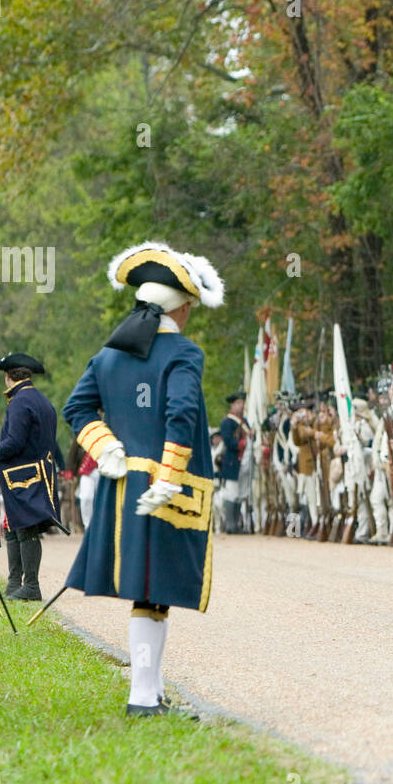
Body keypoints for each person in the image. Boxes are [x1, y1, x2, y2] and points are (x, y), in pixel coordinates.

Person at [62, 241, 222, 714]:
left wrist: (107, 447)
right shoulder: (184, 353)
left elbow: (77, 408)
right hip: (164, 488)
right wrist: (169, 476)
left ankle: (149, 692)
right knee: (155, 592)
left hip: (121, 487)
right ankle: (141, 697)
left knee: (150, 594)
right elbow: (181, 412)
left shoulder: (108, 356)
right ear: (182, 306)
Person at [0, 352, 60, 602]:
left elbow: (13, 444)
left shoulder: (20, 402)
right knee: (14, 528)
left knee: (25, 529)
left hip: (24, 475)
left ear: (8, 377)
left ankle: (30, 585)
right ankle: (14, 583)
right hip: (34, 473)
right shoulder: (40, 399)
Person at [217, 393, 248, 533]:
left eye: (242, 403)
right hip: (232, 462)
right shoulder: (227, 422)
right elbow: (228, 441)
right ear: (232, 405)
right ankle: (230, 525)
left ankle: (236, 524)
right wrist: (241, 443)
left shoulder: (245, 421)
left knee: (240, 493)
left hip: (243, 463)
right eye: (238, 403)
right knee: (231, 493)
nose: (241, 406)